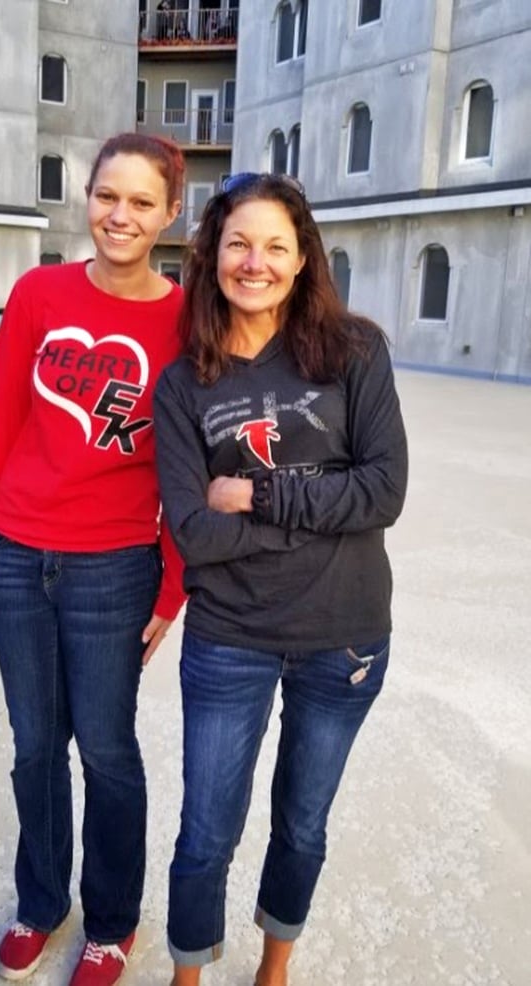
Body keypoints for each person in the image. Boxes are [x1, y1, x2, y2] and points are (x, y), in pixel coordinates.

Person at [153, 172, 408, 986]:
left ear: (302, 260)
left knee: (302, 825)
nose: (253, 263)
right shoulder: (184, 383)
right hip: (231, 638)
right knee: (205, 831)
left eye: (274, 246)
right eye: (237, 244)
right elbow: (193, 530)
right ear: (211, 255)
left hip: (345, 641)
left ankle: (274, 969)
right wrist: (316, 515)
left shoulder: (355, 351)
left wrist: (257, 494)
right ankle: (188, 974)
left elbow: (384, 491)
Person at [0, 132, 187, 986]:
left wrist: (173, 581)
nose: (118, 215)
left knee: (108, 750)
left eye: (139, 201)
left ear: (170, 213)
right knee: (33, 745)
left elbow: (184, 462)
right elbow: (1, 420)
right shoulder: (39, 292)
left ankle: (113, 920)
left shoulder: (184, 319)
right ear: (87, 198)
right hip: (16, 553)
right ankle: (42, 900)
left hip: (112, 568)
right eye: (106, 196)